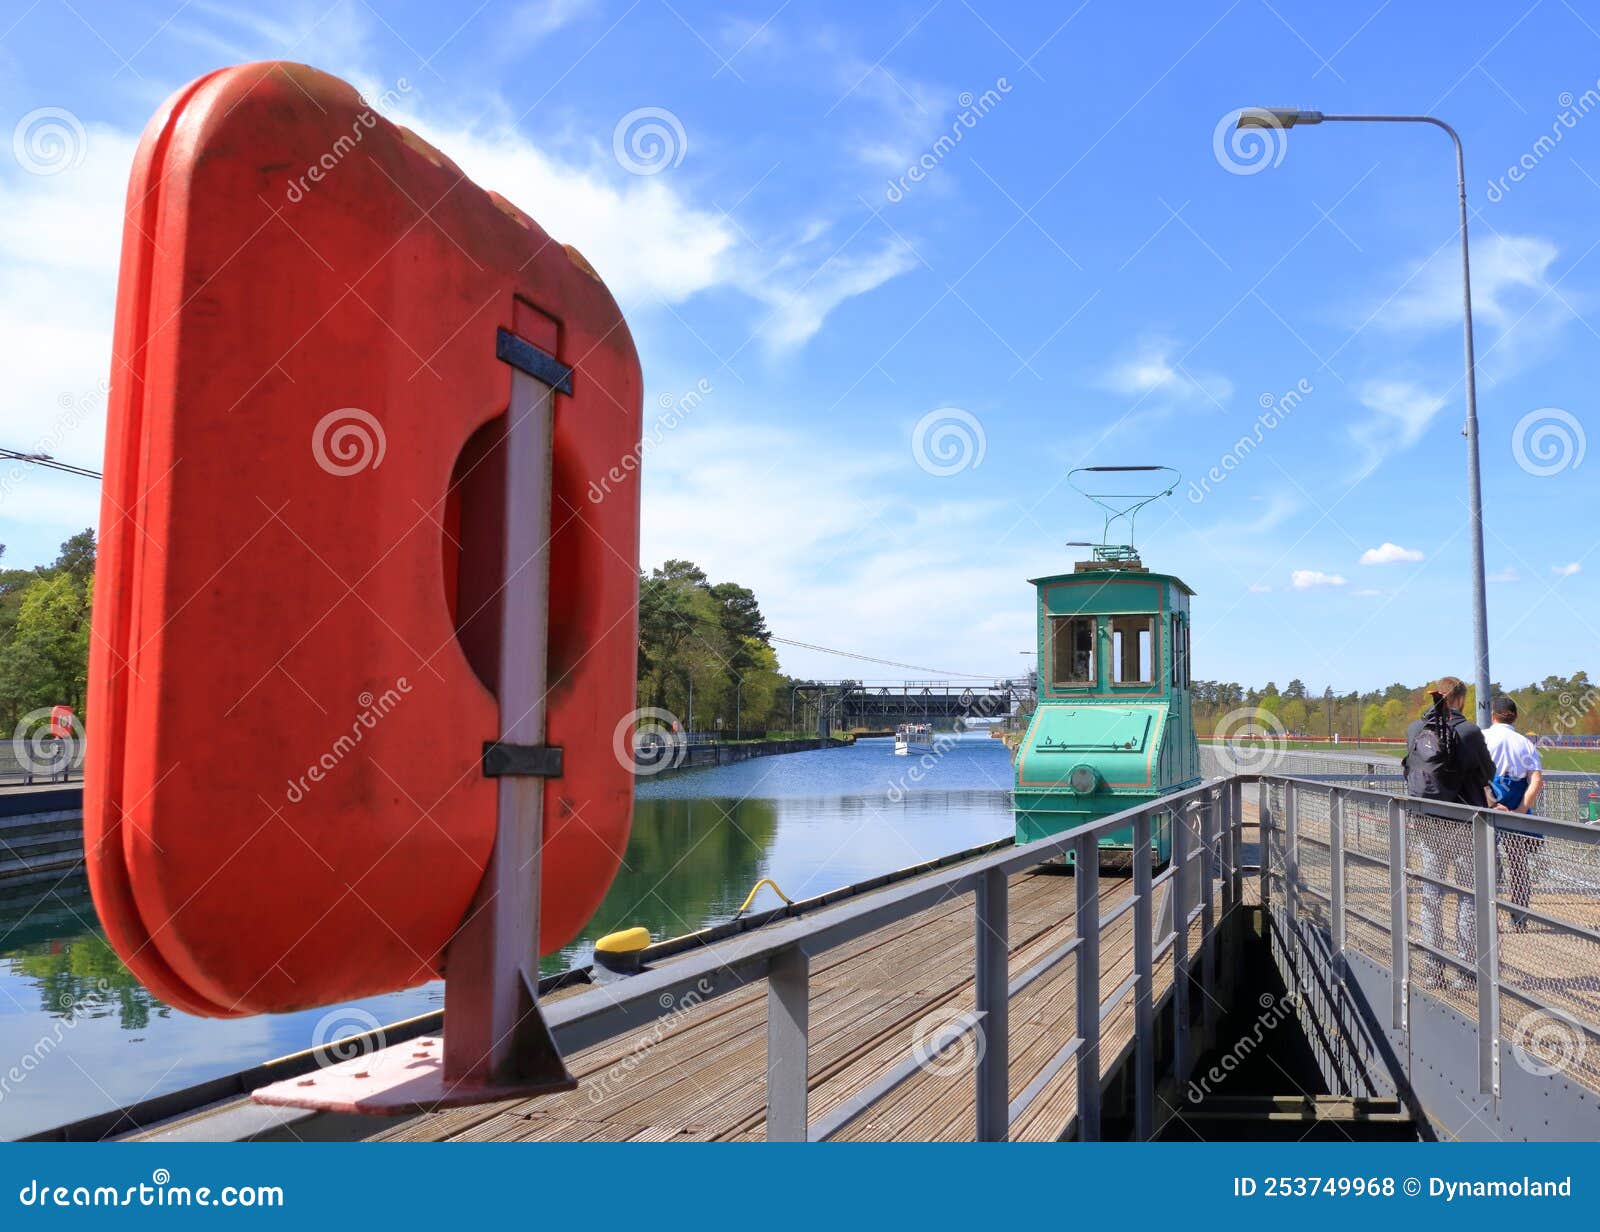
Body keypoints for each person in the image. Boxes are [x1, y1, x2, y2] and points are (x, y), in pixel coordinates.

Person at [1403, 677, 1495, 989]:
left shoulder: (1415, 729)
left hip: (1428, 822)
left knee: (1432, 895)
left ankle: (1433, 970)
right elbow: (1488, 772)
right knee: (1469, 896)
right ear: (1460, 699)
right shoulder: (1469, 731)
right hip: (1466, 823)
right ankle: (1467, 972)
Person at [1483, 695, 1544, 930]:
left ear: (1493, 716)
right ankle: (1519, 918)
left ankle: (1488, 919)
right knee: (1518, 864)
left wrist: (1492, 804)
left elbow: (1474, 777)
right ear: (1515, 717)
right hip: (1516, 808)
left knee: (1487, 863)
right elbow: (1536, 780)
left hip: (1488, 807)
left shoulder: (1483, 738)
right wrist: (1521, 809)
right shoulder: (1525, 743)